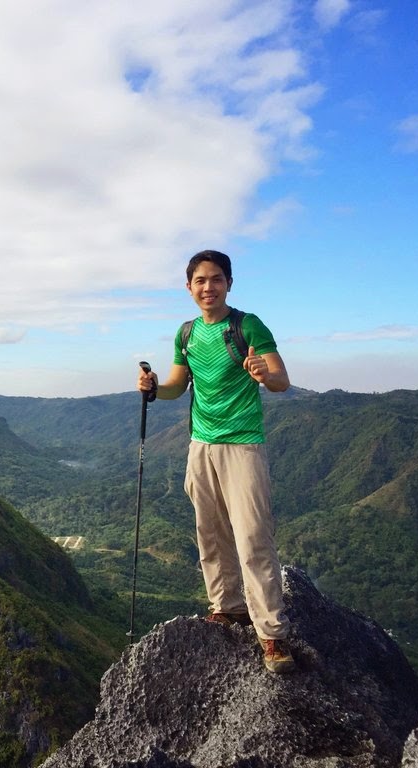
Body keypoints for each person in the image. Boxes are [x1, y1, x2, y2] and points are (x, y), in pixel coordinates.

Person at [137, 249, 295, 674]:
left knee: (253, 538)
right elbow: (177, 385)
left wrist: (265, 373)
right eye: (200, 281)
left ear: (229, 283)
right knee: (209, 533)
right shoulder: (186, 333)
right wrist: (153, 388)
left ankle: (272, 634)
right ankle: (227, 605)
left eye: (217, 279)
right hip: (200, 445)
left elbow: (281, 381)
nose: (209, 287)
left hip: (243, 445)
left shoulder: (247, 325)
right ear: (188, 287)